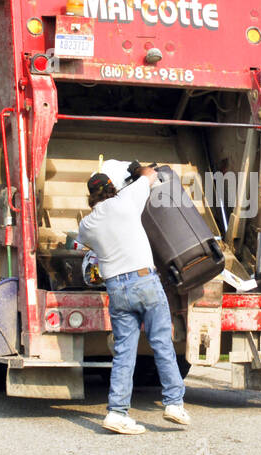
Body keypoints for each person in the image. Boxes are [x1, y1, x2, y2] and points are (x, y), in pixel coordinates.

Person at [79, 160, 189, 435]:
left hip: (117, 288)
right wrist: (136, 169)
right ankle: (174, 404)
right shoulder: (127, 199)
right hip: (145, 281)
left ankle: (117, 412)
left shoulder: (86, 224)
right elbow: (151, 176)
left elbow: (88, 241)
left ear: (91, 195)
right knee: (161, 342)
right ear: (112, 188)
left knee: (124, 352)